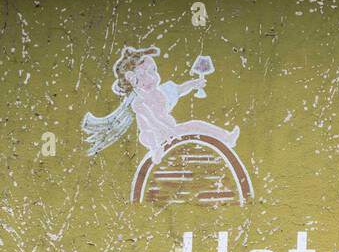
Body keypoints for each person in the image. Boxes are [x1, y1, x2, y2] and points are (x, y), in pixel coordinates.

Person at [82, 46, 239, 164]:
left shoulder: (163, 91)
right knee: (153, 136)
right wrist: (168, 131)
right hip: (153, 133)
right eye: (141, 76)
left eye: (152, 71)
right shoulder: (138, 102)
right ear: (131, 80)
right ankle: (157, 150)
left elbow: (179, 89)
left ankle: (227, 137)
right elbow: (152, 121)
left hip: (170, 130)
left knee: (195, 125)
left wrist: (193, 84)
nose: (150, 78)